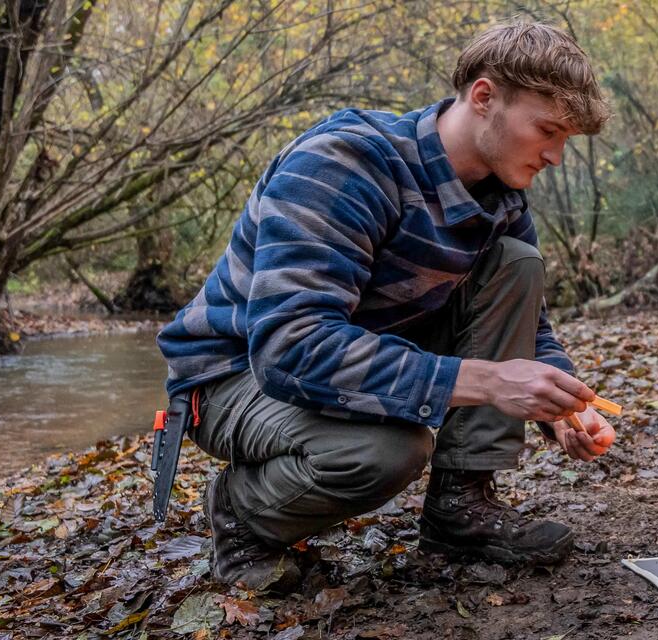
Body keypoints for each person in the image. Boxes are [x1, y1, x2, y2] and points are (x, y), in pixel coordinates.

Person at [155, 19, 616, 593]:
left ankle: (460, 507)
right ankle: (241, 515)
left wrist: (565, 407)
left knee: (517, 262)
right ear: (483, 97)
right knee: (386, 450)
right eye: (547, 130)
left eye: (567, 138)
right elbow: (289, 349)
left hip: (357, 350)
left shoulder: (502, 195)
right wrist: (487, 382)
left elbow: (525, 322)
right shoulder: (345, 164)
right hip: (232, 373)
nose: (555, 156)